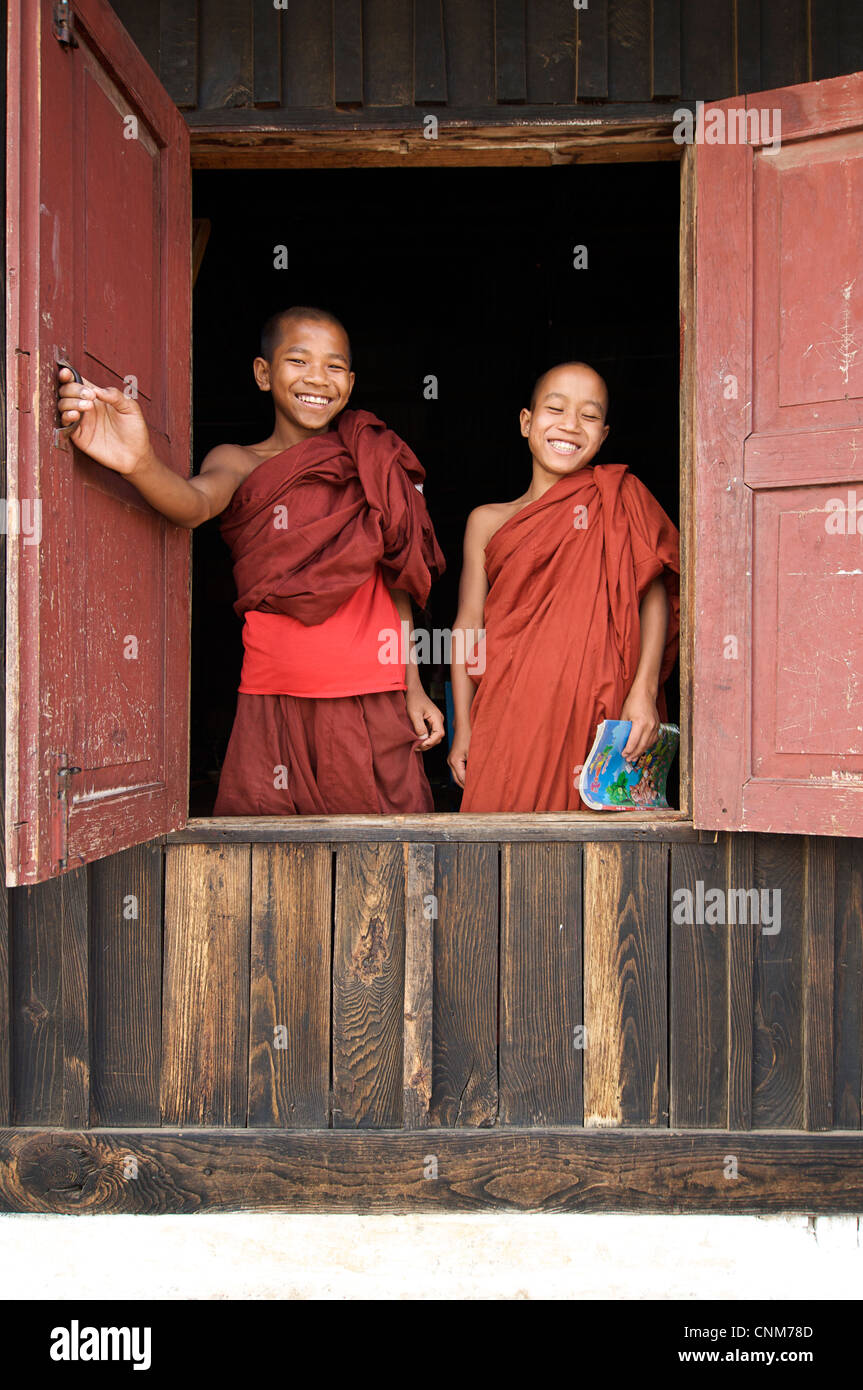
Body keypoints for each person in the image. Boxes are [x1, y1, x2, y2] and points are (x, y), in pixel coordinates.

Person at [57, 306, 446, 815]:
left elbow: (396, 579)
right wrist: (139, 463)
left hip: (373, 693)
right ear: (264, 374)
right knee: (271, 864)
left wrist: (412, 686)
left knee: (388, 863)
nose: (316, 379)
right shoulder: (238, 461)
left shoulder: (374, 460)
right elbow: (193, 505)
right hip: (274, 695)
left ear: (349, 385)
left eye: (333, 367)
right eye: (298, 360)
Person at [447, 360, 680, 813]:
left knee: (603, 864)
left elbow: (654, 599)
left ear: (605, 434)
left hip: (601, 709)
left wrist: (644, 692)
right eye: (555, 409)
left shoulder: (619, 495)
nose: (570, 425)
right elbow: (468, 627)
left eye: (589, 416)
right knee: (498, 854)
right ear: (526, 422)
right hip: (508, 716)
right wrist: (465, 728)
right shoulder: (487, 521)